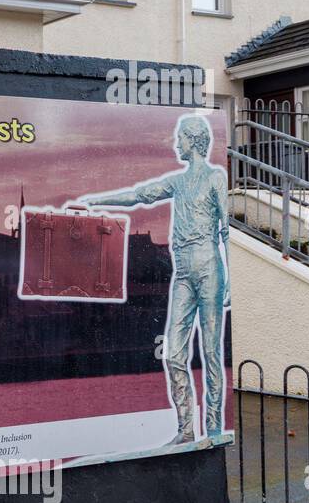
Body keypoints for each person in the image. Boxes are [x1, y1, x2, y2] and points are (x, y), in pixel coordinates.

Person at [77, 114, 230, 446]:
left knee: (211, 352)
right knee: (175, 353)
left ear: (194, 140)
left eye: (181, 138)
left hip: (209, 266)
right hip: (184, 272)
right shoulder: (177, 182)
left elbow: (226, 231)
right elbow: (139, 195)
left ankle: (214, 429)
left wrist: (228, 276)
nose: (177, 143)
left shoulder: (216, 178)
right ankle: (186, 428)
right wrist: (96, 202)